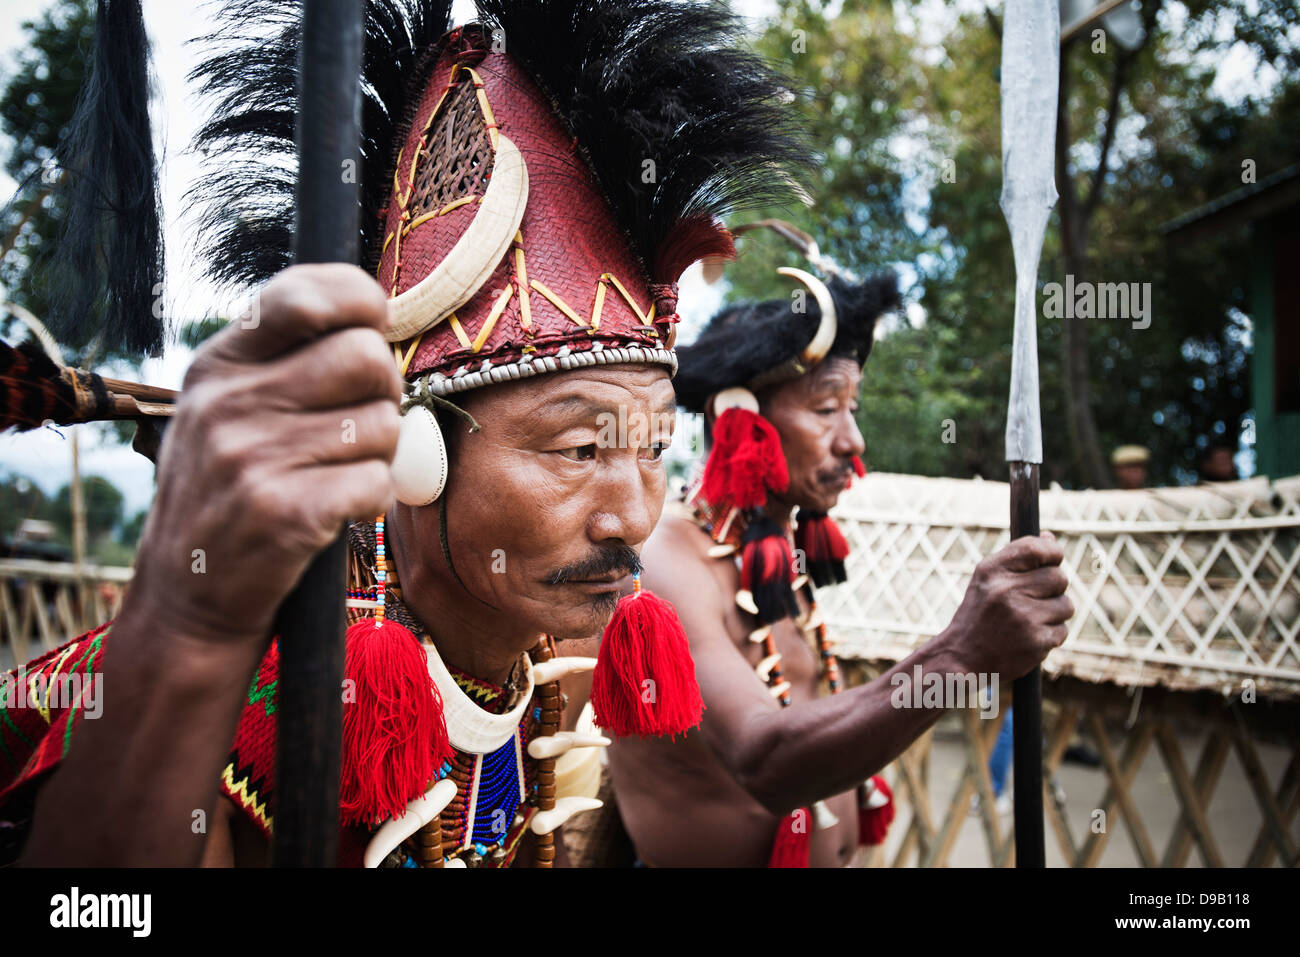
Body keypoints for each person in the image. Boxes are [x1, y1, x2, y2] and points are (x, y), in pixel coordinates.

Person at [0, 0, 807, 867]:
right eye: (579, 450)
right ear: (412, 452)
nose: (633, 517)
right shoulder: (253, 696)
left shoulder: (545, 659)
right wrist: (189, 625)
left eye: (649, 448)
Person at [605, 237, 1075, 867]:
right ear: (741, 417)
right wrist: (963, 653)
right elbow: (764, 761)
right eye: (826, 408)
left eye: (851, 408)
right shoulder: (664, 566)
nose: (853, 440)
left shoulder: (770, 556)